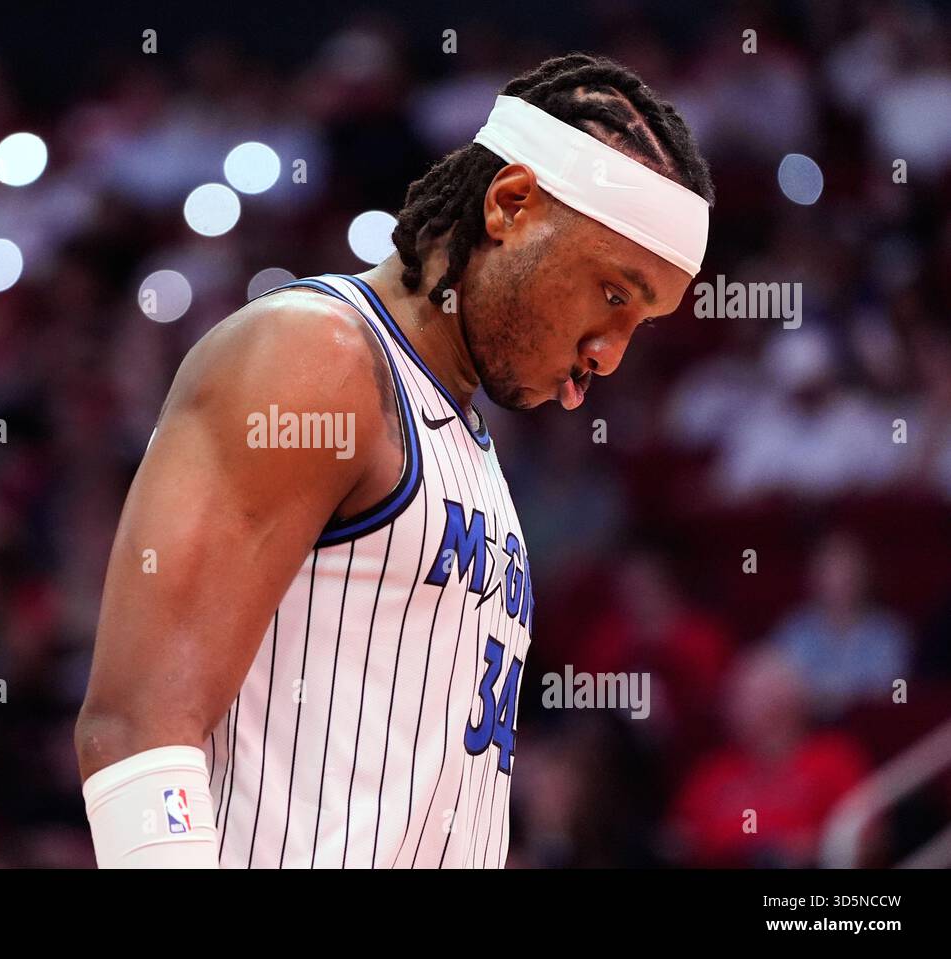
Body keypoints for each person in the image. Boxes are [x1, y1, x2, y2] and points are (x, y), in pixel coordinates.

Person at [74, 53, 715, 868]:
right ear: (512, 204)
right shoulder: (314, 357)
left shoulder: (465, 440)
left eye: (641, 322)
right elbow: (135, 726)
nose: (612, 354)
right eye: (613, 294)